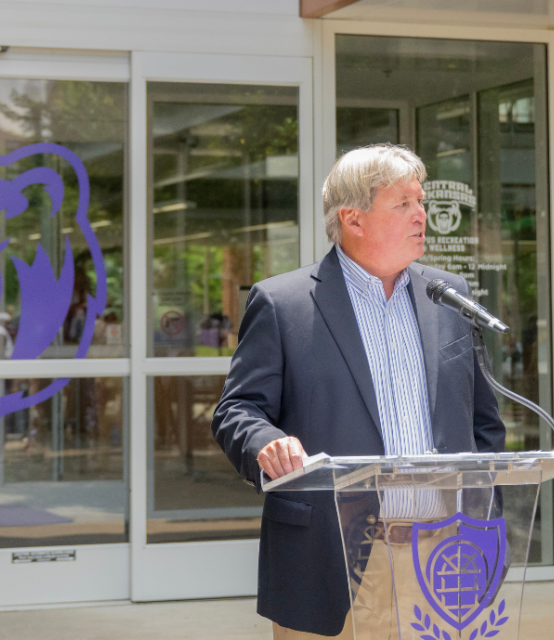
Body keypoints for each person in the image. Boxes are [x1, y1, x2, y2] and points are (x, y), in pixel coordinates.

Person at [211, 144, 505, 639]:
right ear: (354, 219)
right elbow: (237, 409)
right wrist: (266, 443)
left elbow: (483, 424)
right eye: (404, 203)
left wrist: (482, 521)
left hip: (444, 557)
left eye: (421, 201)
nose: (422, 215)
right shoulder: (285, 305)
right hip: (331, 557)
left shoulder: (450, 297)